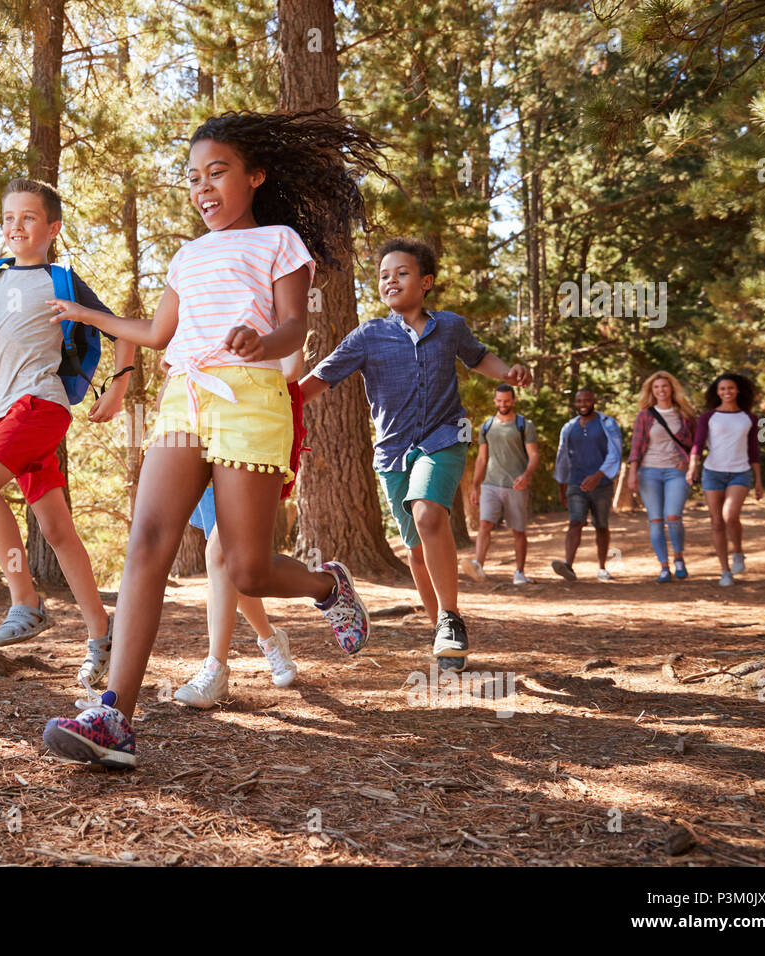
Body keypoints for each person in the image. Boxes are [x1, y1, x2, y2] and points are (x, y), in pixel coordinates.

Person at [40, 111, 381, 768]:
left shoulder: (281, 241)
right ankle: (114, 716)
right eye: (192, 178)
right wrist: (90, 314)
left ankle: (324, 586)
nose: (202, 187)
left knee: (246, 567)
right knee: (148, 542)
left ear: (254, 175)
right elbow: (160, 332)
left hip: (251, 400)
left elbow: (291, 331)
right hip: (185, 397)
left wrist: (262, 342)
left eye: (216, 172)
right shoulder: (187, 254)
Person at [0, 178, 136, 685]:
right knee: (56, 529)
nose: (16, 227)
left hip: (40, 405)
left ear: (52, 228)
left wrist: (118, 389)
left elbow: (124, 331)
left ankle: (24, 601)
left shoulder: (63, 279)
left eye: (28, 218)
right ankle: (101, 634)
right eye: (8, 218)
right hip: (8, 415)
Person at [301, 237, 533, 674]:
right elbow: (323, 377)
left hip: (443, 439)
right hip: (392, 453)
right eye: (384, 274)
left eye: (402, 273)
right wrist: (283, 401)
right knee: (416, 550)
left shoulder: (450, 327)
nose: (391, 280)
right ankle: (445, 636)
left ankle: (449, 617)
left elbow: (480, 357)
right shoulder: (369, 334)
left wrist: (509, 373)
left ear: (426, 282)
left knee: (429, 515)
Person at [174, 352, 305, 709]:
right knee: (230, 565)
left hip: (250, 436)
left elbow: (292, 368)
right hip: (200, 432)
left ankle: (215, 669)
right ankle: (270, 639)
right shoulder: (202, 304)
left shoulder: (267, 304)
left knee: (221, 553)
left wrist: (238, 368)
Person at [687, 373, 763, 587]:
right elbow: (698, 445)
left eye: (730, 388)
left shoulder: (750, 418)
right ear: (717, 392)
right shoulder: (708, 417)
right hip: (713, 472)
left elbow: (754, 452)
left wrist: (758, 481)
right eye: (722, 389)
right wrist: (693, 466)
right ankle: (725, 571)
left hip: (740, 471)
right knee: (717, 522)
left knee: (730, 516)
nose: (726, 392)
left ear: (737, 390)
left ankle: (738, 552)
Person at [626, 371, 697, 582]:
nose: (661, 390)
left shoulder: (684, 414)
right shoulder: (645, 415)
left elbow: (696, 444)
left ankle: (679, 559)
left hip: (676, 471)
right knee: (655, 520)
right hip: (649, 472)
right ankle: (664, 567)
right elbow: (636, 447)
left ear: (671, 388)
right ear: (651, 391)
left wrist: (689, 461)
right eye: (656, 387)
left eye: (664, 386)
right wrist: (632, 474)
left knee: (673, 516)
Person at [467, 383, 540, 584]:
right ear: (494, 400)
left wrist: (526, 475)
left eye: (507, 400)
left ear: (513, 400)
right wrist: (475, 486)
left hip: (516, 485)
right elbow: (482, 459)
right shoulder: (487, 425)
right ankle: (478, 566)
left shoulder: (524, 425)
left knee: (518, 530)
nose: (503, 404)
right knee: (484, 524)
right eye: (499, 400)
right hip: (490, 484)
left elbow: (534, 455)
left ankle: (519, 573)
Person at [551, 389, 623, 582]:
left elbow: (615, 453)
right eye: (579, 400)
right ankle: (568, 566)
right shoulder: (568, 427)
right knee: (575, 522)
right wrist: (561, 486)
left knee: (601, 525)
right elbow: (563, 457)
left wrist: (598, 475)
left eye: (587, 400)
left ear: (594, 401)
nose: (583, 403)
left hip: (602, 484)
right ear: (575, 403)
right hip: (576, 483)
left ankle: (602, 568)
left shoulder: (607, 424)